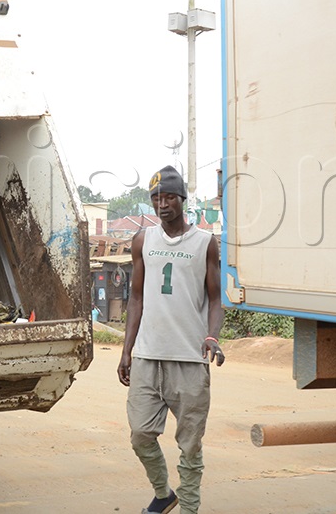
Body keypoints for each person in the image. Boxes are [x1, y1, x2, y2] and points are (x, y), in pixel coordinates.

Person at [117, 165, 224, 514]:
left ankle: (189, 507)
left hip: (190, 359)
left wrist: (212, 336)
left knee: (190, 444)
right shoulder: (142, 240)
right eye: (156, 199)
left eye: (168, 197)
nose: (162, 204)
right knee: (140, 435)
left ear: (182, 200)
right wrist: (126, 350)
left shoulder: (205, 243)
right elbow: (136, 298)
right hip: (148, 355)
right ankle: (163, 493)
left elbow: (215, 299)